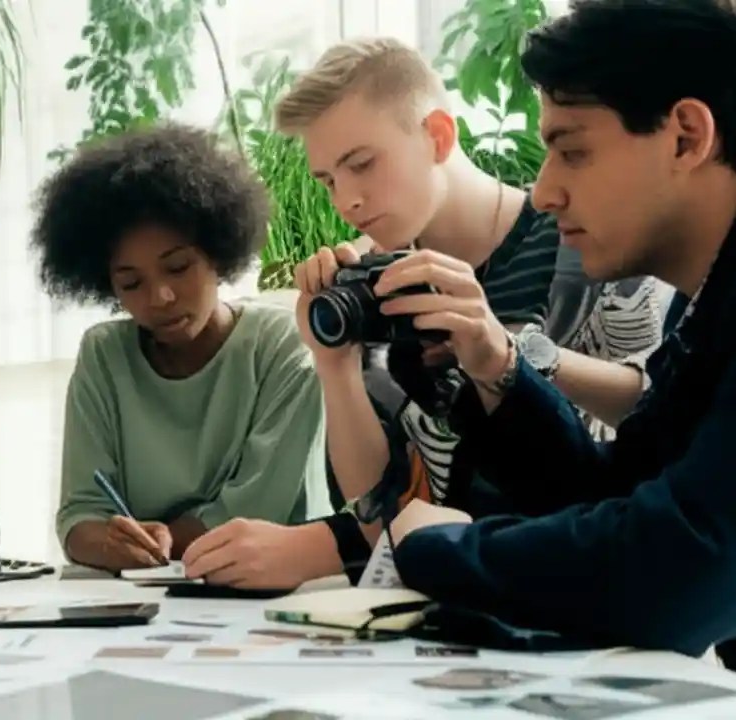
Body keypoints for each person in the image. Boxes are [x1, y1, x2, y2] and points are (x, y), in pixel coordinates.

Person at [375, 0, 736, 683]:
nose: (543, 192)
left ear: (686, 137)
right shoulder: (724, 287)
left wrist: (436, 549)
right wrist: (498, 368)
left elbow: (689, 566)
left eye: (573, 151)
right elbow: (620, 498)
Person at [183, 36, 668, 586]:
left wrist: (511, 353)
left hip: (587, 580)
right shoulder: (372, 285)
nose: (346, 201)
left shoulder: (581, 238)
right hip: (445, 591)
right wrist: (334, 365)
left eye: (362, 164)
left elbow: (656, 411)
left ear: (438, 136)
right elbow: (377, 509)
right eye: (329, 180)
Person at [34, 123, 330, 572]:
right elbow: (80, 515)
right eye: (131, 283)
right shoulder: (104, 355)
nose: (160, 297)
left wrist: (165, 540)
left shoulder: (283, 344)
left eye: (178, 267)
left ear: (218, 252)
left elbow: (257, 510)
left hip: (276, 586)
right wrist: (108, 543)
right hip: (150, 596)